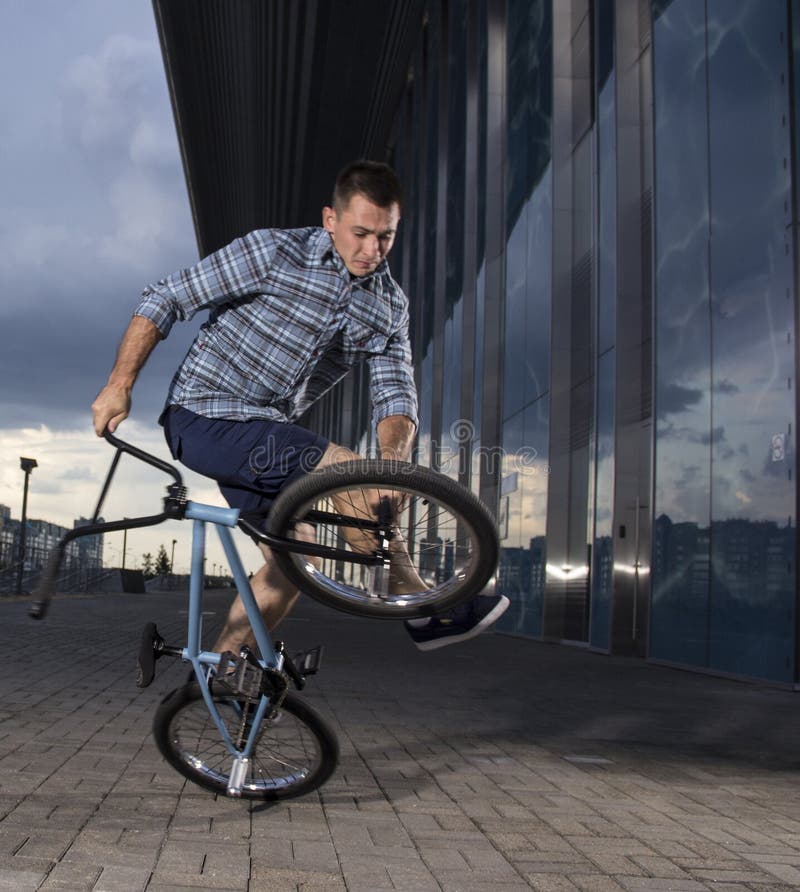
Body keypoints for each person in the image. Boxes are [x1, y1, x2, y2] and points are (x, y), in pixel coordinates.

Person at [92, 160, 508, 653]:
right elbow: (166, 297)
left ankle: (223, 672)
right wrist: (119, 383)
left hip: (266, 437)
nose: (371, 250)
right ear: (330, 219)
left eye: (385, 237)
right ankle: (422, 608)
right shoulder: (272, 252)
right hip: (202, 416)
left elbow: (394, 392)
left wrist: (394, 458)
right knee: (346, 470)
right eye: (360, 233)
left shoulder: (388, 305)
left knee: (293, 563)